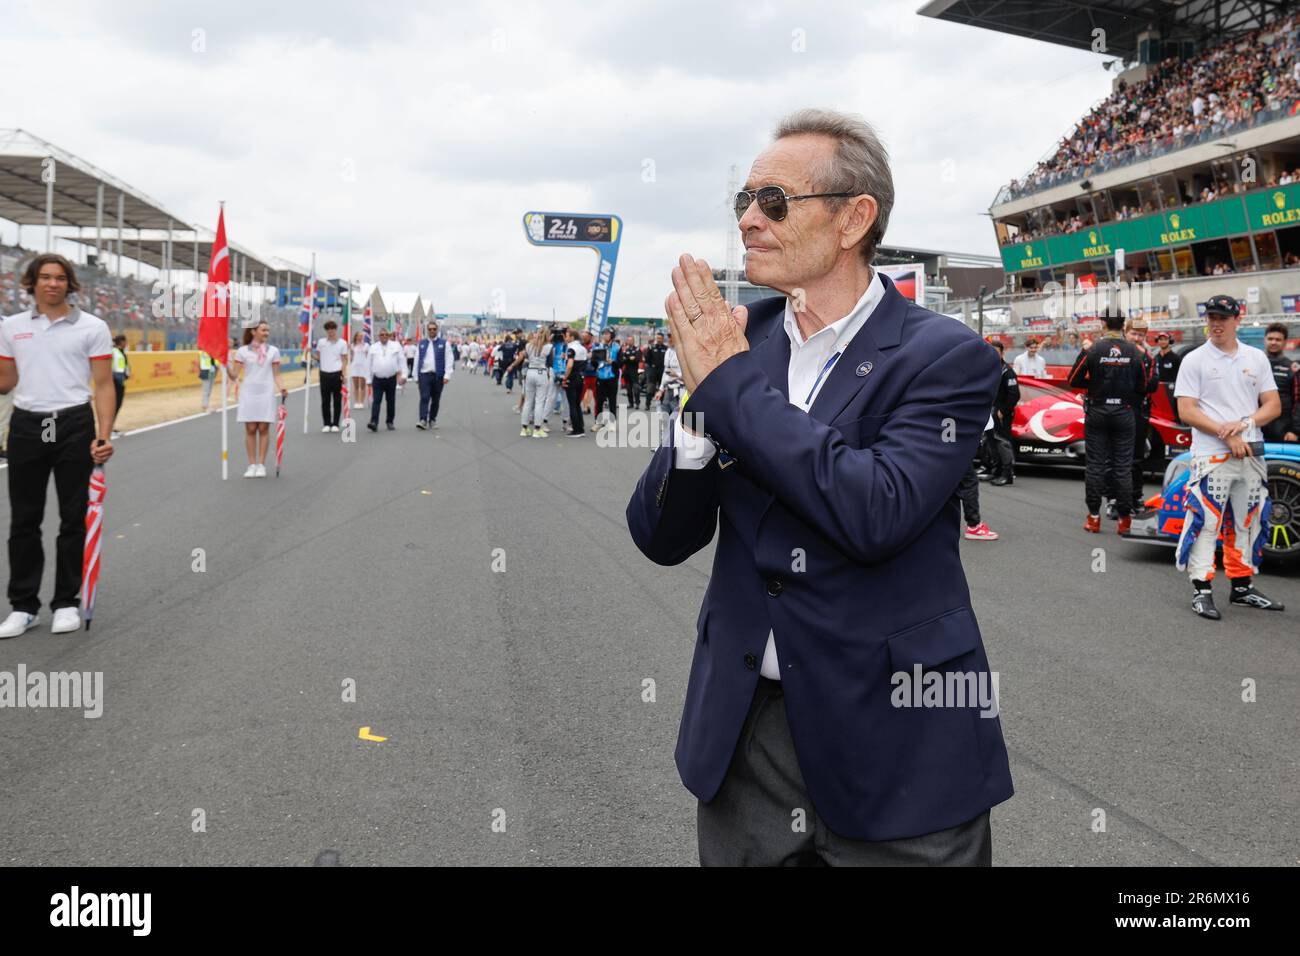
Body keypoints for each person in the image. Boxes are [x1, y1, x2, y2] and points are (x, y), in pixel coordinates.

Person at [627, 108, 1011, 866]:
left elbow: (876, 510)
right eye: (743, 200)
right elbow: (661, 537)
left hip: (899, 735)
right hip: (748, 736)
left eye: (774, 201)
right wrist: (700, 423)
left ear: (853, 219)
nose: (747, 220)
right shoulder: (741, 341)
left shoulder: (945, 356)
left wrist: (728, 386)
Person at [0, 253, 115, 638]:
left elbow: (102, 385)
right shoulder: (11, 326)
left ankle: (66, 601)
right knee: (24, 520)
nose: (53, 284)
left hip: (72, 424)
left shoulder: (92, 326)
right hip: (28, 425)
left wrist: (104, 434)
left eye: (60, 278)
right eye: (45, 277)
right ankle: (23, 606)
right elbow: (5, 381)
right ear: (31, 283)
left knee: (72, 517)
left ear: (70, 284)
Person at [1173, 295, 1285, 619]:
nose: (1215, 323)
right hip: (1212, 456)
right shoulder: (1194, 359)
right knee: (1205, 522)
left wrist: (1246, 425)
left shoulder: (1256, 357)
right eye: (1211, 317)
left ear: (1238, 318)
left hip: (1251, 455)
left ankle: (1242, 587)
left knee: (1247, 523)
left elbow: (1273, 406)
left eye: (1222, 317)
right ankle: (1201, 590)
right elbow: (1187, 410)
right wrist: (1228, 433)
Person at [1067, 310, 1148, 534]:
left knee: (1095, 466)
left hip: (1098, 411)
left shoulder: (1093, 349)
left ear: (1103, 323)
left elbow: (1073, 380)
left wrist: (1095, 384)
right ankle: (1124, 521)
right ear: (1123, 325)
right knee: (1123, 467)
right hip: (1124, 411)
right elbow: (1144, 385)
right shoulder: (1135, 351)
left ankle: (1094, 517)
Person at [231, 321, 288, 478]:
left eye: (267, 330)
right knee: (250, 429)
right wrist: (226, 367)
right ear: (253, 332)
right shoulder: (242, 351)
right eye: (263, 330)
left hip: (266, 392)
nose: (266, 333)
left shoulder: (273, 351)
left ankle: (261, 464)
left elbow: (276, 374)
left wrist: (282, 387)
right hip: (249, 393)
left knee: (263, 428)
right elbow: (235, 375)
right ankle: (251, 465)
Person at [956, 416, 1000, 540]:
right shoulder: (973, 402)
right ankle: (974, 526)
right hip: (958, 447)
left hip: (941, 445)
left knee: (943, 484)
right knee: (969, 483)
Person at [985, 340, 1018, 486]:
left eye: (996, 352)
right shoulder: (989, 369)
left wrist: (1003, 411)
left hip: (1001, 414)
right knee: (991, 442)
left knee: (1002, 443)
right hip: (989, 413)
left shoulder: (1007, 372)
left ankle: (1007, 474)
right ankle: (996, 472)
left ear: (1002, 353)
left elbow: (1014, 395)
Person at [1262, 322, 1299, 443]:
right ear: (1265, 340)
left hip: (1284, 431)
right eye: (1270, 339)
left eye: (1278, 339)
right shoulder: (1253, 364)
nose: (1273, 342)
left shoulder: (1292, 368)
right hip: (1256, 428)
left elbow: (1298, 401)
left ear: (1285, 342)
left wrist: (1295, 431)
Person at [416, 320, 454, 430]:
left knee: (435, 399)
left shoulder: (444, 343)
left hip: (438, 375)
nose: (432, 331)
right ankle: (423, 419)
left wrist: (447, 375)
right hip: (424, 374)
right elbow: (417, 360)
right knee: (424, 397)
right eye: (430, 329)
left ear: (437, 330)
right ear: (427, 330)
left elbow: (449, 359)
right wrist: (415, 375)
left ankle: (432, 419)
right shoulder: (422, 343)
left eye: (434, 329)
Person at [367, 327, 406, 431]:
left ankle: (390, 421)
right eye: (382, 335)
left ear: (389, 336)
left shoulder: (396, 346)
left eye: (386, 335)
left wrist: (404, 375)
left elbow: (402, 361)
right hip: (378, 379)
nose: (384, 336)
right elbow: (368, 364)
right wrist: (368, 379)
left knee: (390, 401)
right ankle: (374, 422)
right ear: (378, 336)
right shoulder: (373, 347)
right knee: (376, 401)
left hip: (391, 378)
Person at [518, 326, 554, 437]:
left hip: (530, 371)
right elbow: (550, 363)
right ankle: (537, 429)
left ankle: (524, 429)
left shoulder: (528, 345)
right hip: (541, 372)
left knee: (528, 401)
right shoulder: (549, 346)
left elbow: (527, 357)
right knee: (539, 402)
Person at [314, 320, 349, 433]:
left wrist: (343, 374)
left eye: (332, 329)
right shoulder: (321, 342)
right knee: (325, 400)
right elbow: (319, 357)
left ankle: (335, 424)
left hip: (336, 373)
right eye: (328, 329)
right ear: (326, 331)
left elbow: (344, 360)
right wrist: (310, 354)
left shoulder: (342, 343)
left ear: (335, 330)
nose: (330, 331)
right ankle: (326, 423)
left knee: (337, 400)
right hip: (324, 373)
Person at [559, 327, 587, 437]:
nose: (565, 337)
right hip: (581, 377)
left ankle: (576, 430)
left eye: (566, 335)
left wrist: (565, 378)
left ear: (572, 337)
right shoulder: (582, 348)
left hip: (573, 378)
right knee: (577, 404)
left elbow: (570, 365)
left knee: (572, 404)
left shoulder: (571, 348)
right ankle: (580, 428)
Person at [593, 327, 621, 430]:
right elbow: (593, 362)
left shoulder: (617, 347)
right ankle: (598, 422)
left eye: (607, 334)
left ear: (612, 335)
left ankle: (612, 423)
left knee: (612, 401)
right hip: (600, 377)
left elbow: (620, 363)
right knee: (599, 401)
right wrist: (595, 360)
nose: (605, 335)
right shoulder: (598, 346)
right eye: (604, 334)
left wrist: (612, 362)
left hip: (612, 377)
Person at [110, 334, 130, 437]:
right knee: (113, 406)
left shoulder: (121, 352)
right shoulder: (114, 351)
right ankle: (109, 429)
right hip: (115, 382)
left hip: (120, 381)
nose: (126, 344)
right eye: (125, 341)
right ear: (121, 342)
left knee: (117, 406)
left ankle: (111, 428)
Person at [644, 331, 667, 409]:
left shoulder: (666, 348)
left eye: (660, 338)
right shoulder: (651, 347)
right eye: (657, 338)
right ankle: (647, 404)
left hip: (662, 370)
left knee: (662, 387)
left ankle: (662, 403)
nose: (659, 339)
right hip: (653, 370)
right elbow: (647, 359)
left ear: (663, 339)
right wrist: (650, 368)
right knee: (650, 387)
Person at [349, 331, 370, 409]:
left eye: (362, 336)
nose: (361, 337)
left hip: (363, 366)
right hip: (354, 366)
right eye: (359, 336)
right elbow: (351, 357)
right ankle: (357, 401)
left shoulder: (366, 345)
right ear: (356, 337)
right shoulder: (352, 346)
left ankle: (361, 402)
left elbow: (368, 356)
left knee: (363, 385)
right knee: (356, 385)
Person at [621, 335, 641, 411]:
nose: (629, 342)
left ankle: (637, 403)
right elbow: (623, 359)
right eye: (628, 340)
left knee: (636, 389)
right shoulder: (625, 350)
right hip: (627, 372)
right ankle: (631, 403)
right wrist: (630, 358)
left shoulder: (637, 349)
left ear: (633, 341)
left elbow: (638, 358)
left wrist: (629, 358)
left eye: (631, 340)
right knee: (628, 389)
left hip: (634, 372)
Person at [199, 347, 219, 413]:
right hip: (206, 371)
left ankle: (206, 405)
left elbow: (215, 360)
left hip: (212, 371)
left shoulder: (214, 350)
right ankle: (205, 406)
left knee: (209, 390)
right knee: (206, 390)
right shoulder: (203, 351)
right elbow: (208, 358)